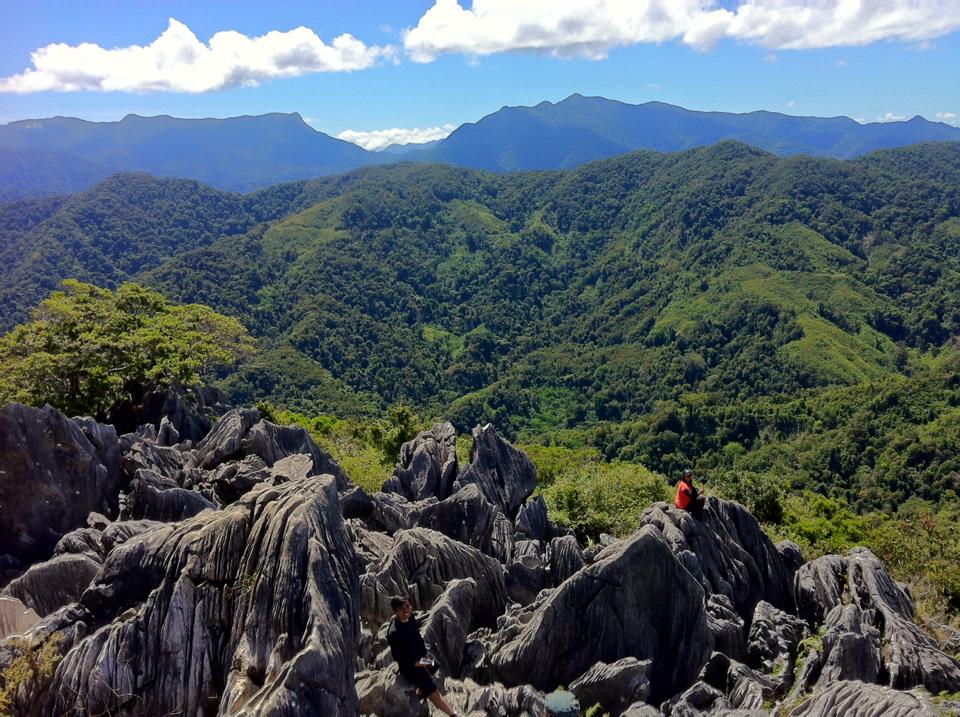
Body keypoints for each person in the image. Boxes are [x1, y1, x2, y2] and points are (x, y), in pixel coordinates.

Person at [386, 595, 459, 716]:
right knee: (435, 692)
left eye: (407, 606)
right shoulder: (394, 633)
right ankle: (452, 714)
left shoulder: (410, 617)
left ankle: (422, 690)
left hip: (420, 657)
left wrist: (425, 654)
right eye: (401, 609)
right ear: (395, 611)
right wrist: (421, 663)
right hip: (410, 666)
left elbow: (418, 637)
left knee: (435, 665)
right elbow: (401, 658)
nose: (406, 610)